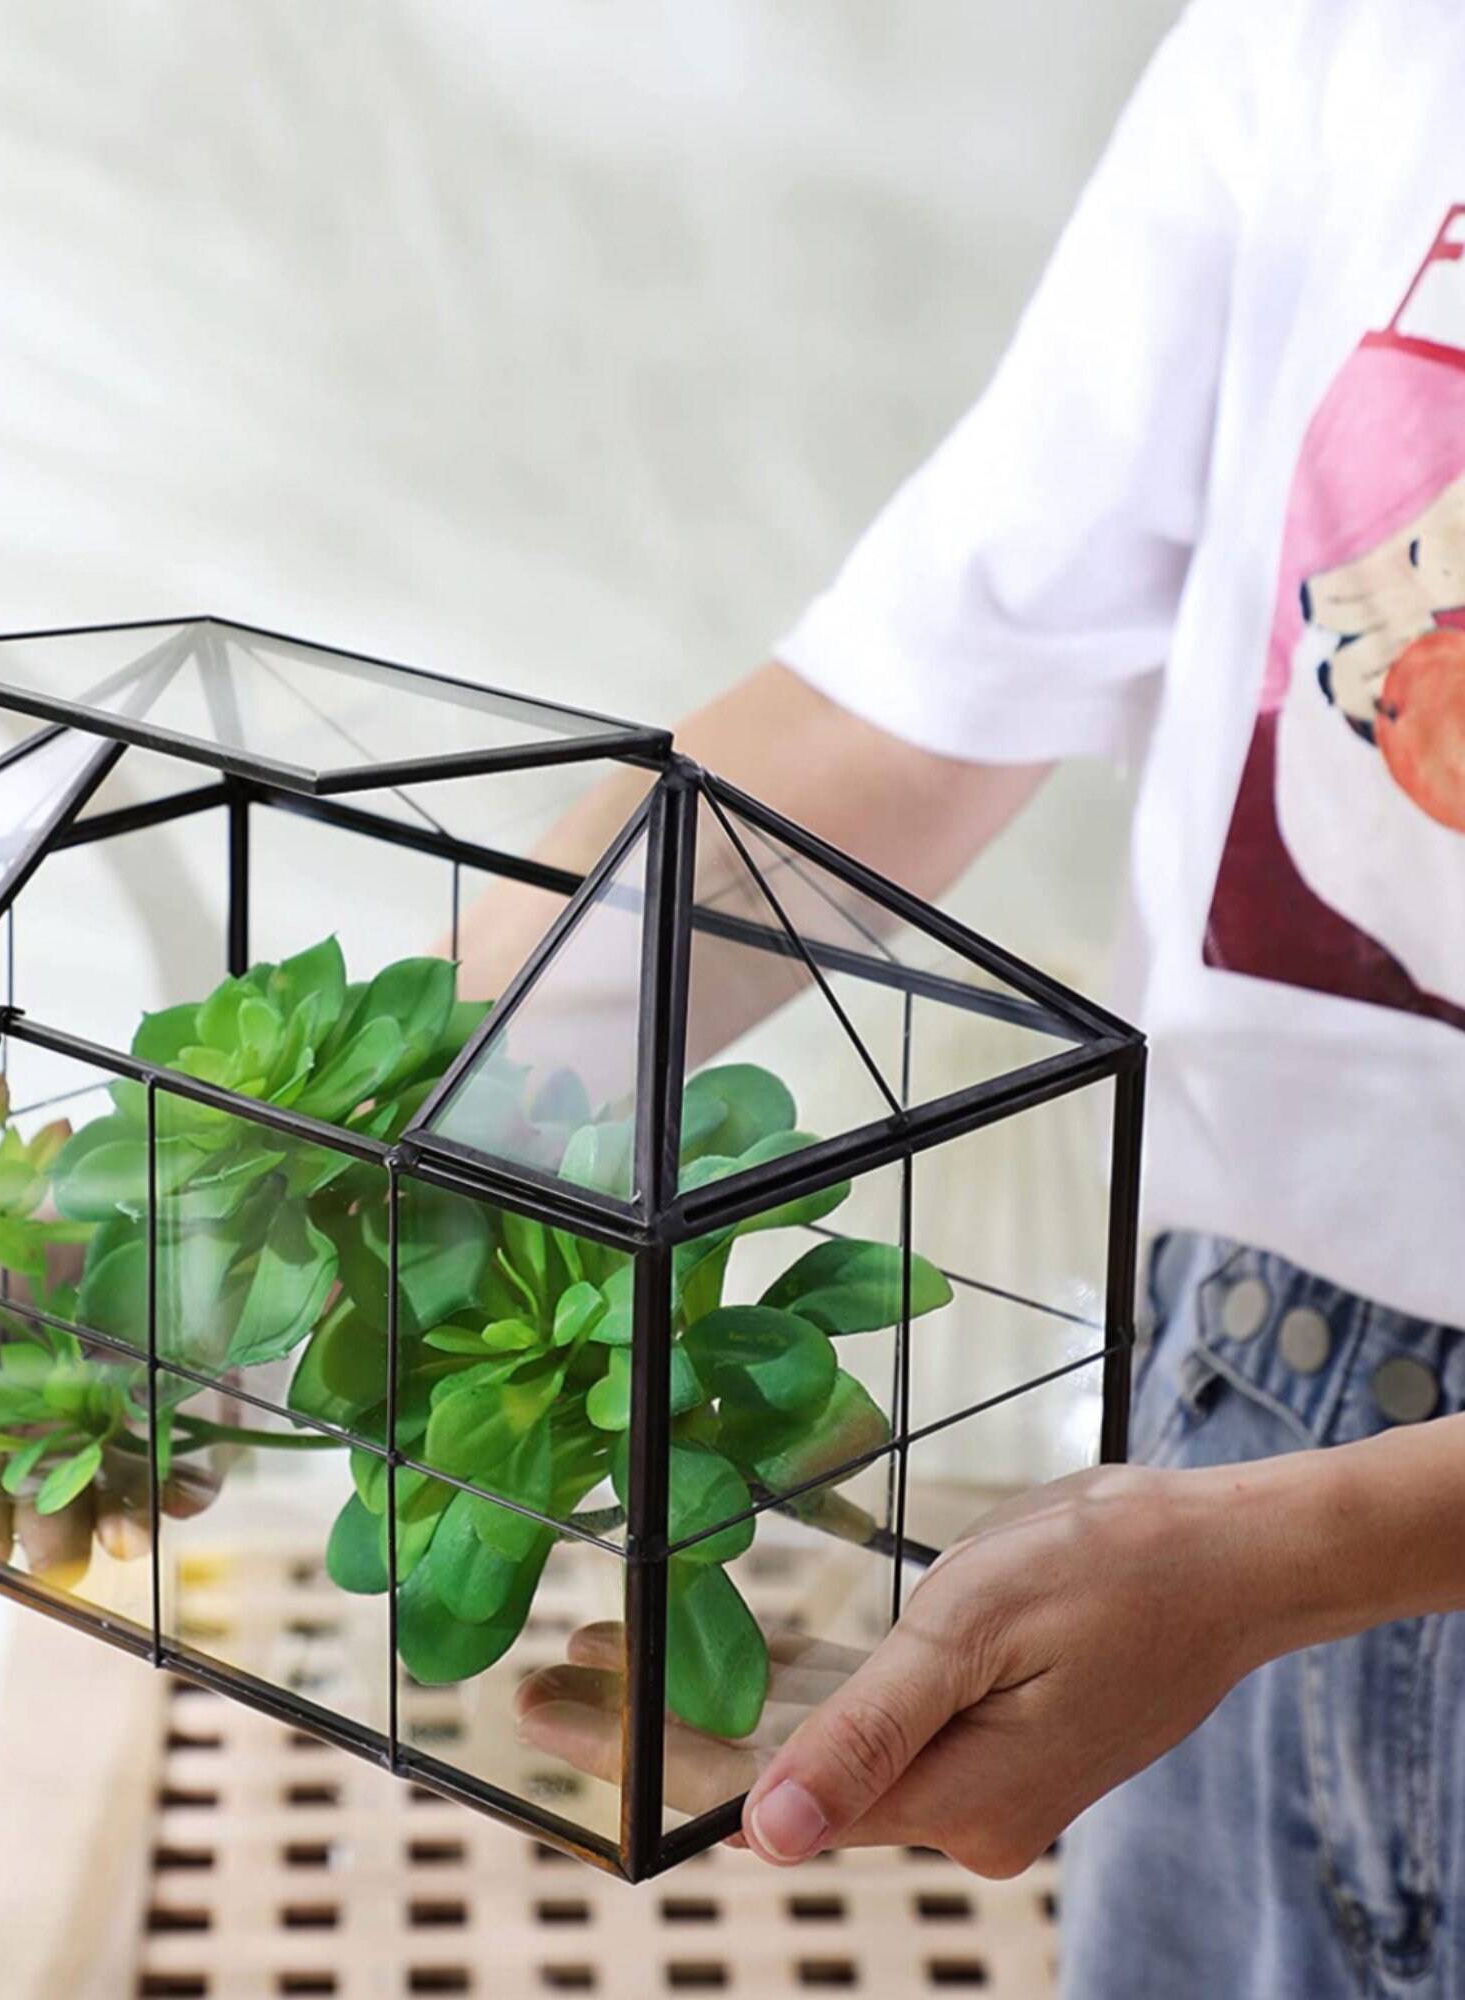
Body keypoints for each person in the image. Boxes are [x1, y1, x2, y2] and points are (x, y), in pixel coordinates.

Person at [475, 1, 1465, 1992]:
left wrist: (1297, 1558)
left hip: (1245, 1548)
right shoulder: (1336, 41)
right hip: (1244, 1403)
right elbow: (889, 725)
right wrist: (299, 1166)